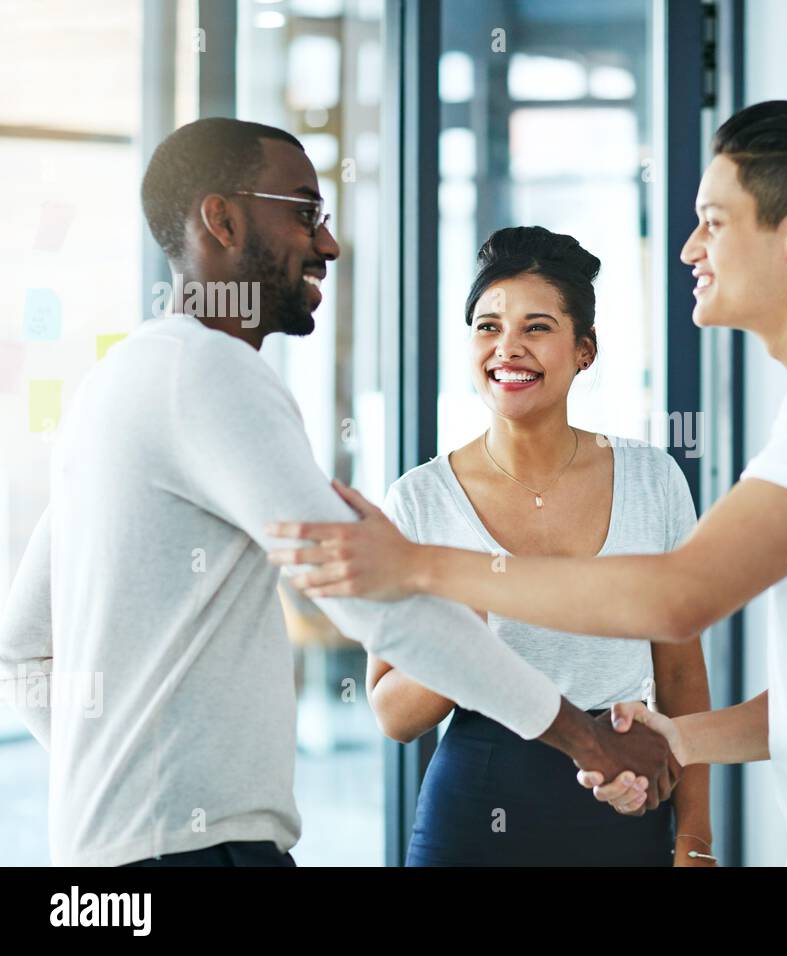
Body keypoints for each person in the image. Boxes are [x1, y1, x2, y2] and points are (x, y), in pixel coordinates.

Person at [267, 100, 787, 866]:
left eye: (714, 220)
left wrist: (423, 567)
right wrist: (681, 738)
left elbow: (681, 598)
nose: (688, 249)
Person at [0, 118, 676, 868]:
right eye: (303, 213)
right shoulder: (214, 376)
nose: (328, 244)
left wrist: (121, 788)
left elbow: (21, 652)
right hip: (198, 857)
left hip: (125, 859)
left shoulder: (118, 381)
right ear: (221, 220)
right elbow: (379, 606)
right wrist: (588, 742)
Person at [369, 225, 713, 866]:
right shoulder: (419, 500)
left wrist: (695, 839)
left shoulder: (652, 477)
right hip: (475, 801)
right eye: (487, 326)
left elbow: (682, 673)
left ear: (584, 350)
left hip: (626, 794)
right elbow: (392, 713)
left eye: (536, 327)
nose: (507, 348)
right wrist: (462, 630)